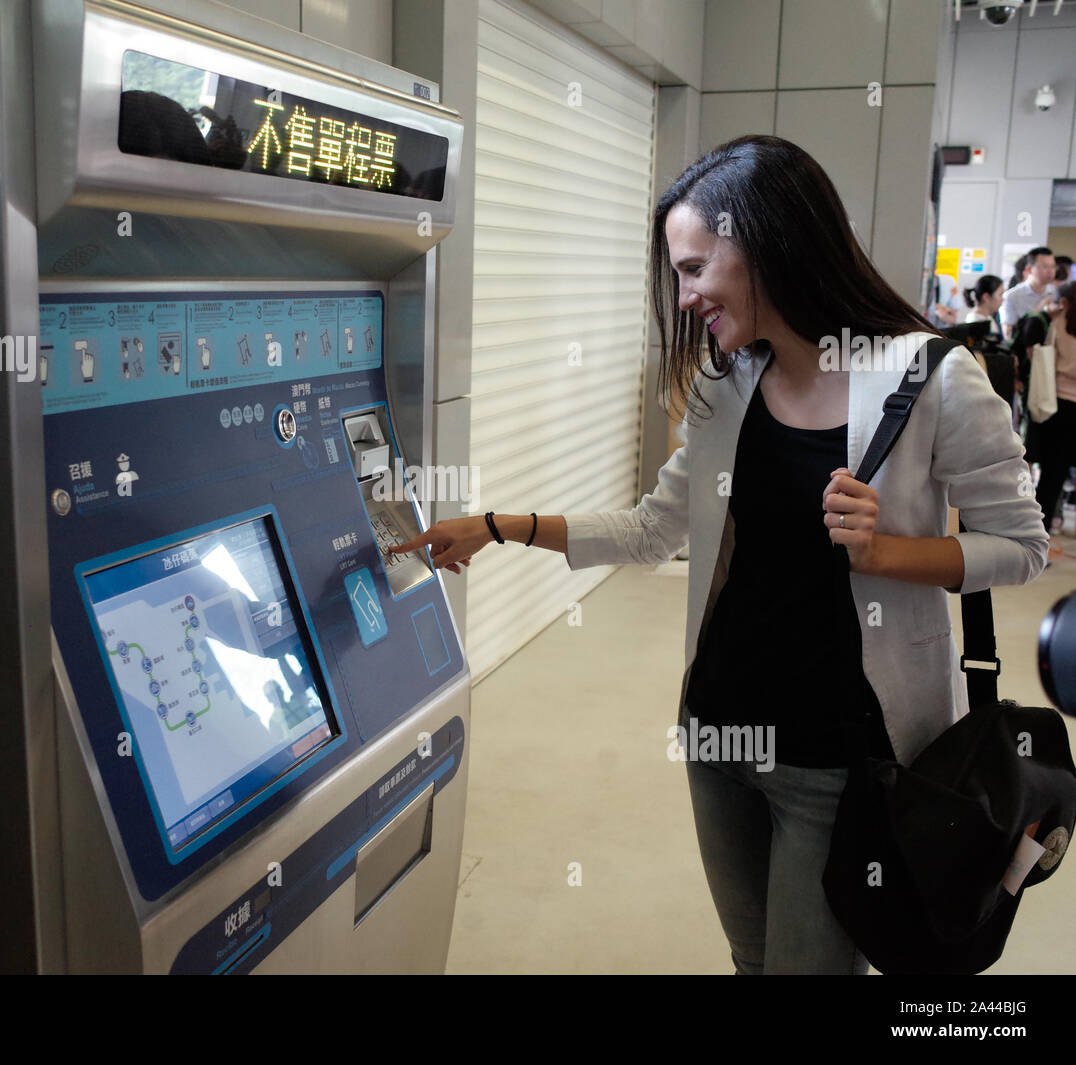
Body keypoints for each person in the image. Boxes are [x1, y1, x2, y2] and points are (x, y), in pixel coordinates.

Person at [391, 135, 1048, 975]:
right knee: (750, 957)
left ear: (768, 243)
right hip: (719, 737)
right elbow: (651, 529)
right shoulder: (726, 383)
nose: (685, 294)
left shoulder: (933, 381)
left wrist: (887, 551)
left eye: (696, 267)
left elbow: (1022, 547)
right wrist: (496, 524)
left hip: (841, 761)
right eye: (676, 273)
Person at [1027, 280, 1076, 560]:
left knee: (1051, 478)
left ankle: (1040, 537)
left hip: (1057, 407)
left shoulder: (1059, 324)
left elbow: (1046, 357)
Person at [1001, 247, 1058, 340]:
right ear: (1029, 269)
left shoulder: (1056, 293)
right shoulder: (1012, 296)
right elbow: (1008, 335)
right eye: (1045, 266)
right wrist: (1040, 308)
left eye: (1053, 266)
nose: (1051, 271)